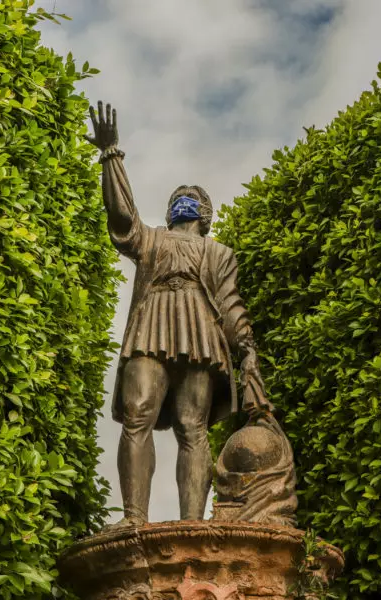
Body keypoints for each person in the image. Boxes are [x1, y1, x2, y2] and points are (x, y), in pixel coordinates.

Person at [86, 101, 270, 527]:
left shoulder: (219, 252)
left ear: (206, 216)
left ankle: (192, 524)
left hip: (202, 335)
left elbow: (230, 304)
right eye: (179, 199)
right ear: (170, 213)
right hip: (150, 328)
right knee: (137, 413)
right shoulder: (150, 240)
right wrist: (111, 155)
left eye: (193, 199)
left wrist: (246, 350)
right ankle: (134, 517)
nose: (185, 202)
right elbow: (122, 219)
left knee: (193, 426)